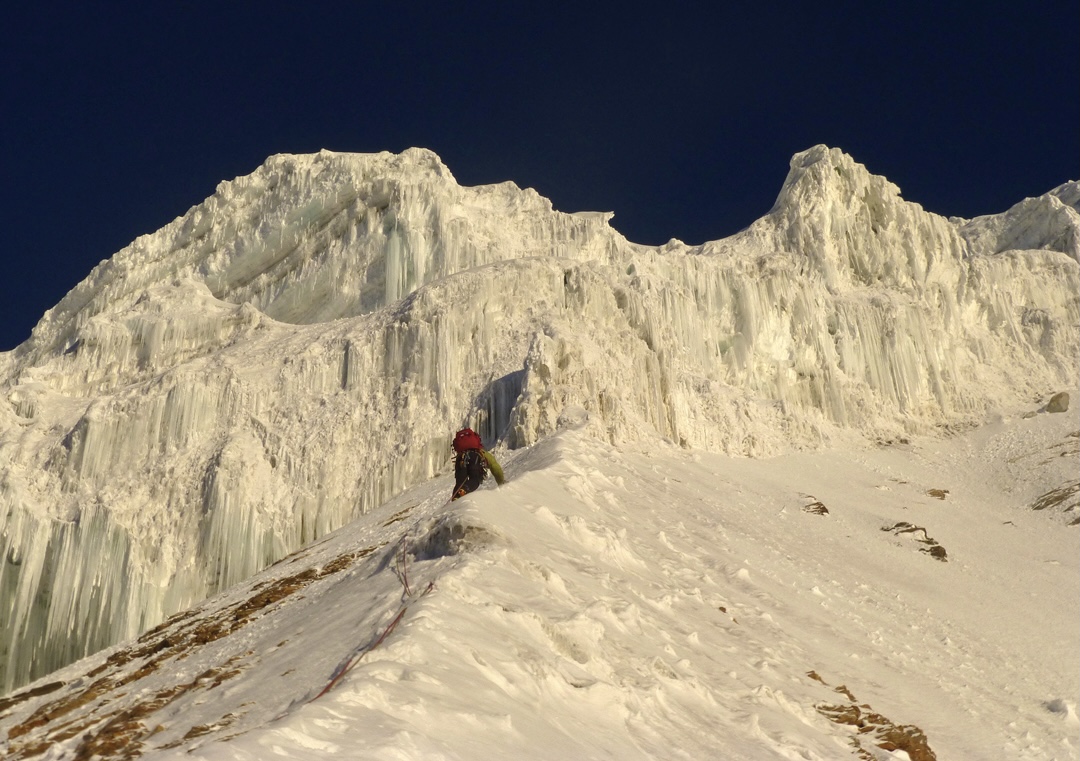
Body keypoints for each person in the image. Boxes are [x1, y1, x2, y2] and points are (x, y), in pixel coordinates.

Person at [451, 427, 504, 500]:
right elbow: (494, 466)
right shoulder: (480, 452)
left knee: (460, 483)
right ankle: (465, 490)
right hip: (474, 458)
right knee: (475, 479)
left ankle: (455, 499)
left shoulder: (460, 454)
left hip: (461, 460)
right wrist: (501, 482)